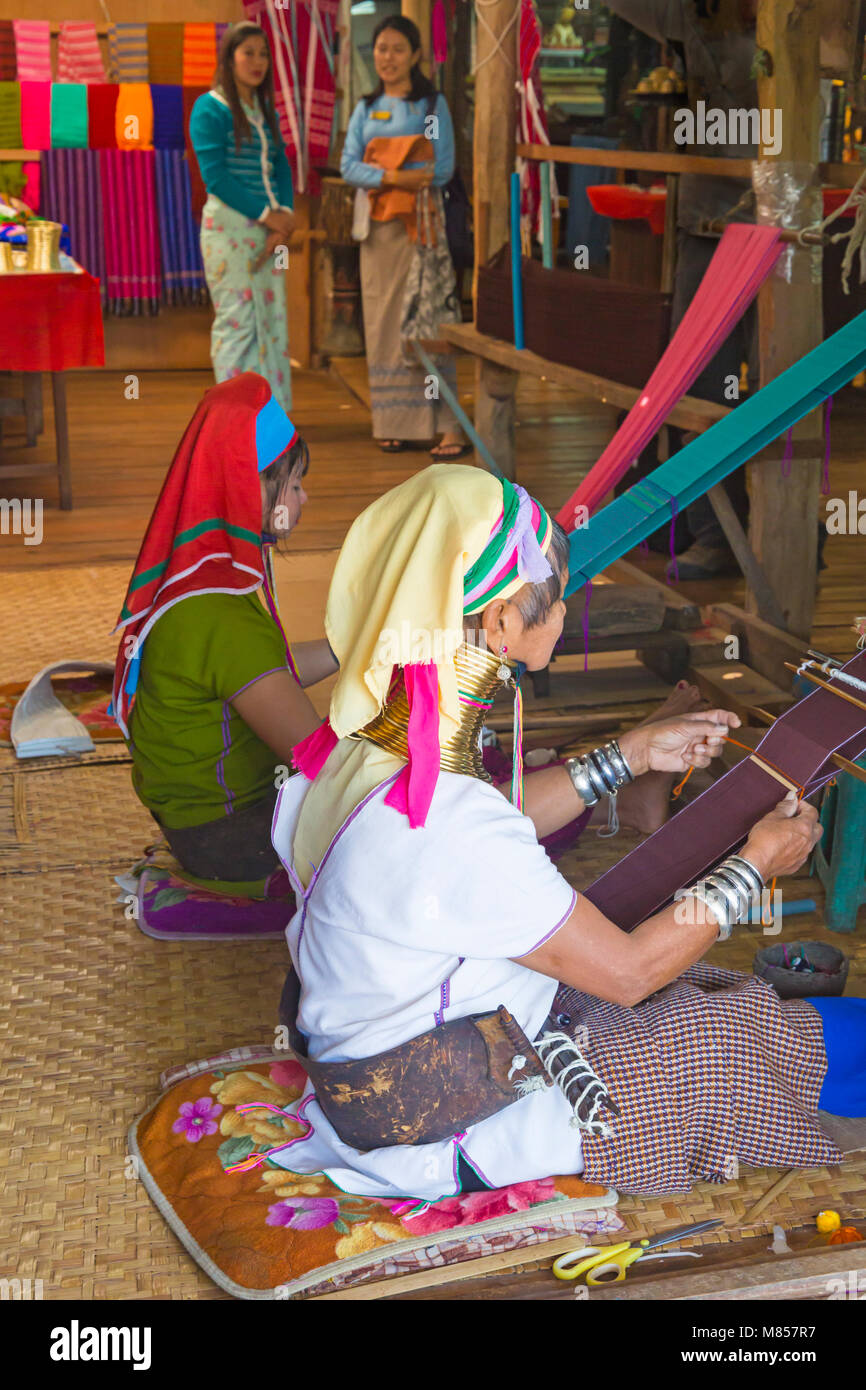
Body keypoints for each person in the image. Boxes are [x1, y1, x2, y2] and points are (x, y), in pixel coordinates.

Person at [252, 464, 862, 1202]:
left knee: (719, 999)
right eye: (557, 598)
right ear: (503, 622)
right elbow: (631, 970)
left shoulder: (352, 755)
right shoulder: (448, 821)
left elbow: (469, 841)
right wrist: (756, 866)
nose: (565, 611)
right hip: (451, 1118)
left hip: (387, 1058)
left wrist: (630, 755)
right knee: (729, 1039)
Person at [112, 373, 337, 884]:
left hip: (197, 824)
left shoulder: (195, 578)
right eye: (295, 485)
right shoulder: (219, 611)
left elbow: (261, 675)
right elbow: (320, 760)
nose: (304, 499)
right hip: (234, 835)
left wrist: (350, 647)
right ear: (246, 485)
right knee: (398, 824)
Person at [607, 0, 758, 577]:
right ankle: (714, 532)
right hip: (705, 221)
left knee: (784, 389)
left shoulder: (797, 20)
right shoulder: (695, 17)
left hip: (780, 225)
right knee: (695, 385)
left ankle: (786, 536)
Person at [340, 15, 469, 459]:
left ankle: (449, 426)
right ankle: (392, 423)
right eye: (381, 48)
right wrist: (398, 173)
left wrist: (388, 171)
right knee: (382, 324)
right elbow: (348, 167)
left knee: (429, 322)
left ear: (415, 55)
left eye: (397, 48)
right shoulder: (364, 107)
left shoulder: (431, 106)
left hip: (423, 231)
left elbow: (444, 168)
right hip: (377, 233)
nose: (387, 57)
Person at [190, 22, 295, 414]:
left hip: (271, 231)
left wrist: (285, 216)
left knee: (271, 321)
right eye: (247, 52)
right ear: (229, 57)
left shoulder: (264, 109)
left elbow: (281, 164)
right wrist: (271, 215)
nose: (257, 61)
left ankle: (271, 419)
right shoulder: (210, 107)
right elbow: (215, 176)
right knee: (237, 324)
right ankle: (235, 421)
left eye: (263, 53)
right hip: (229, 230)